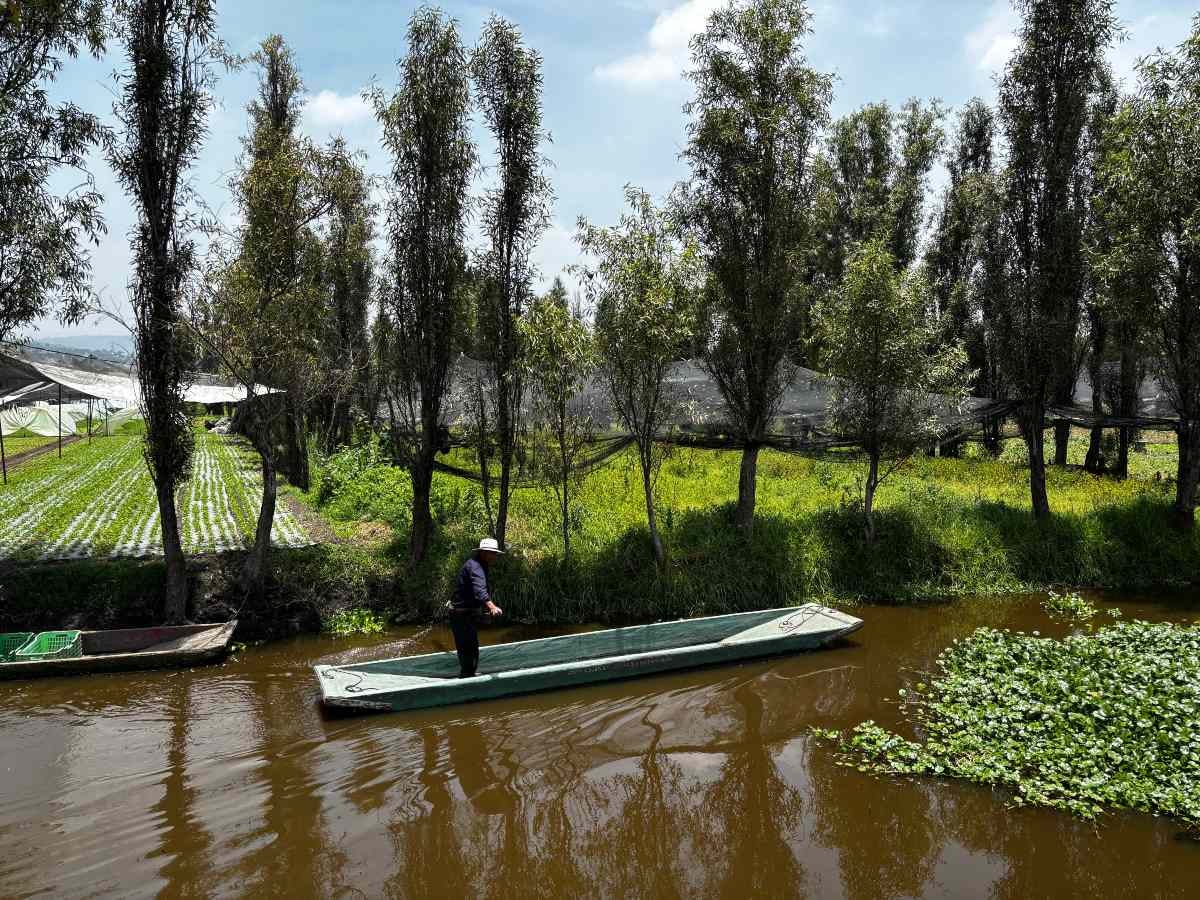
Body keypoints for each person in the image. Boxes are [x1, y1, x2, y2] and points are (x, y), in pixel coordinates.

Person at [448, 537, 504, 677]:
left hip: (466, 613)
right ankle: (467, 679)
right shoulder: (476, 567)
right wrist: (492, 607)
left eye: (496, 553)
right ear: (484, 552)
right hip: (461, 615)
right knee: (468, 650)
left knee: (471, 649)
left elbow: (474, 591)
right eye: (493, 553)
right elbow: (480, 591)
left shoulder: (479, 564)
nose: (495, 556)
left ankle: (469, 674)